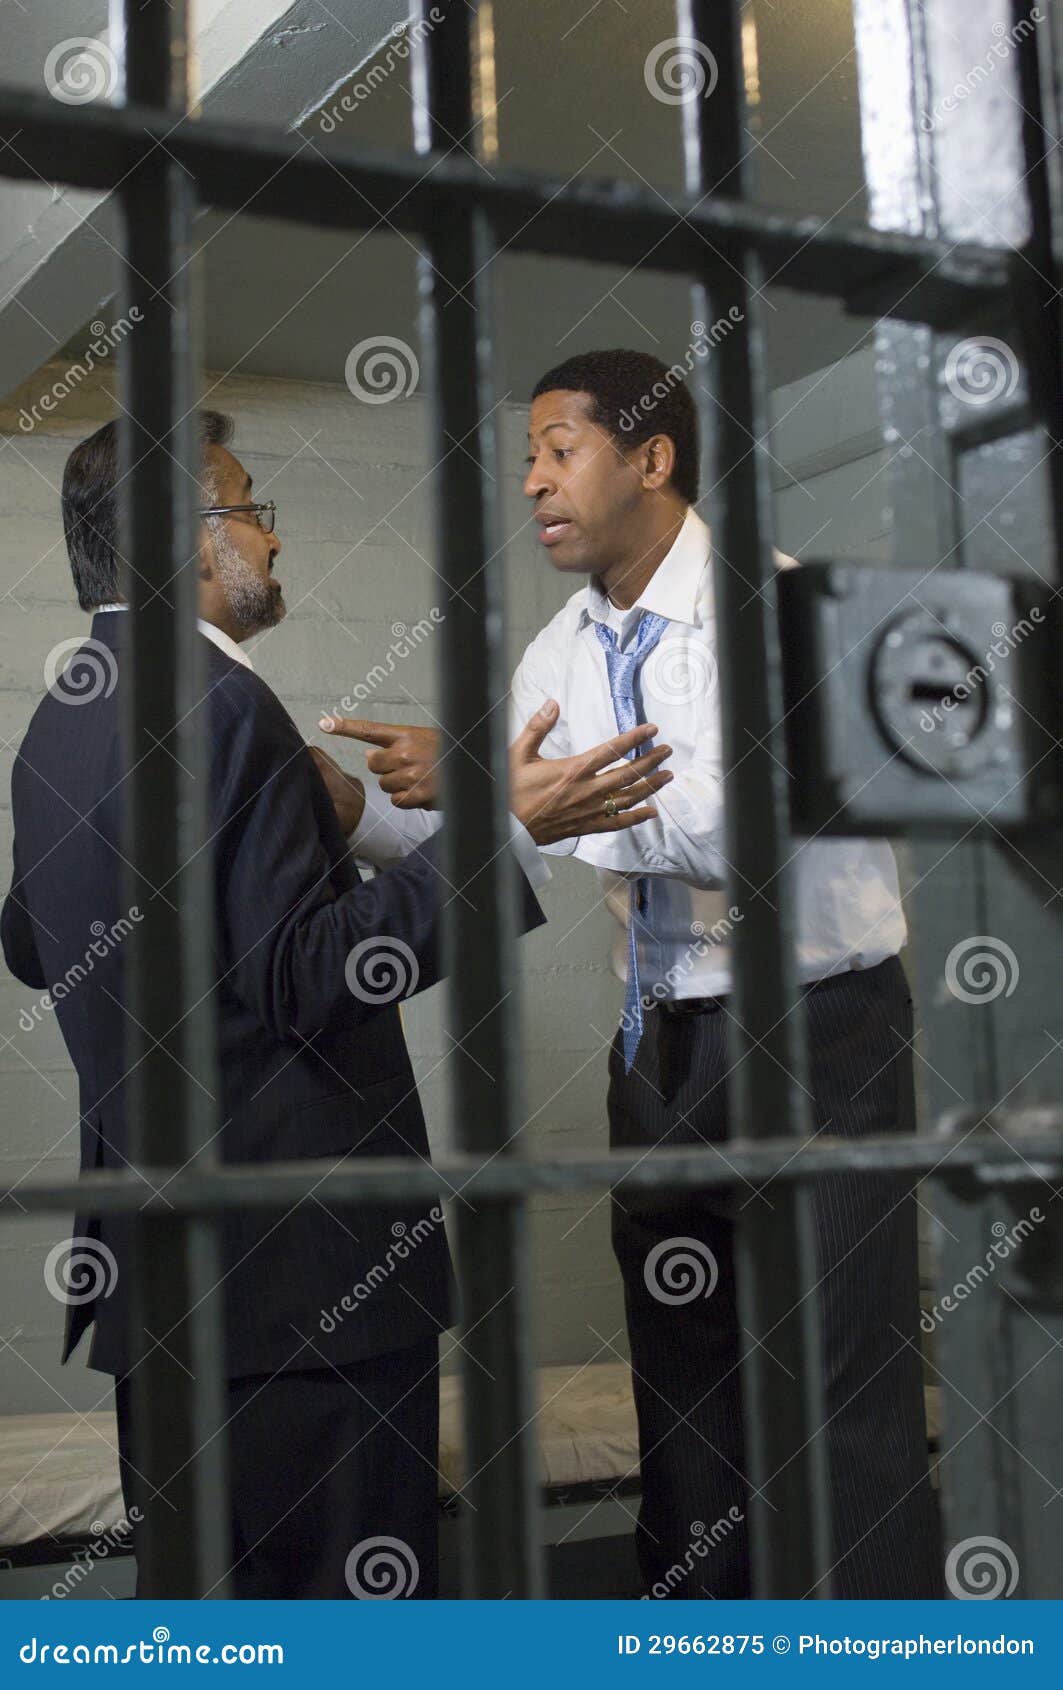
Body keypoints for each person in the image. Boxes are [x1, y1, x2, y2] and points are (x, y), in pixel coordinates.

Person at [0, 409, 672, 1599]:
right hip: (306, 1280)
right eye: (251, 507)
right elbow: (307, 978)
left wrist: (332, 824)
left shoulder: (60, 723)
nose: (272, 538)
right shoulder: (219, 709)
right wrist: (503, 829)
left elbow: (29, 944)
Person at [324, 349, 943, 1599]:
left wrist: (503, 787)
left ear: (651, 459)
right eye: (530, 457)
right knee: (684, 1380)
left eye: (560, 449)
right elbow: (502, 824)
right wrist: (341, 809)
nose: (532, 480)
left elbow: (734, 826)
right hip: (656, 1049)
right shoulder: (559, 650)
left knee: (841, 1382)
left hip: (817, 1036)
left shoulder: (776, 614)